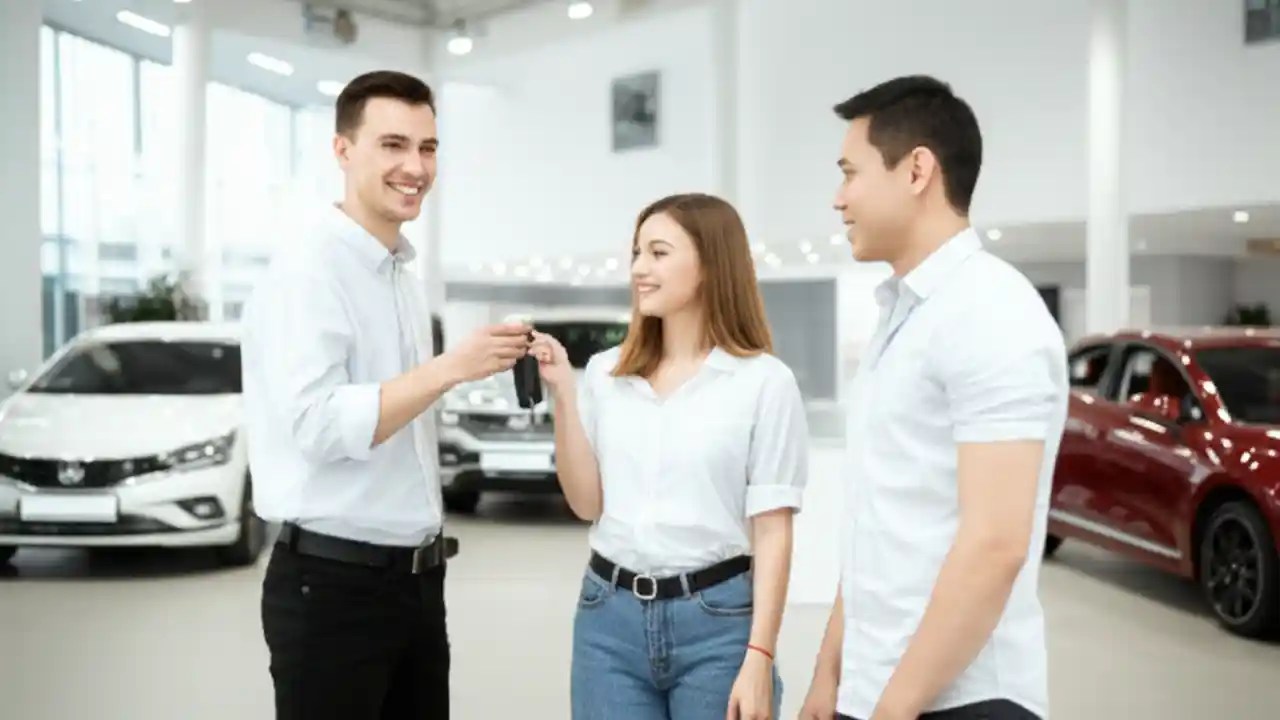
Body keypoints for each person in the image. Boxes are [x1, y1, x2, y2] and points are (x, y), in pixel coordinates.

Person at [241, 70, 531, 720]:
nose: (415, 166)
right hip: (336, 588)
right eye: (393, 145)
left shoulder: (400, 274)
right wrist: (449, 368)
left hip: (417, 583)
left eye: (428, 148)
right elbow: (317, 423)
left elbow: (398, 416)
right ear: (343, 151)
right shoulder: (309, 269)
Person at [797, 76, 1069, 720]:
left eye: (850, 173)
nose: (838, 199)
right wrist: (830, 674)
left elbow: (995, 543)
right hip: (880, 688)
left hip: (961, 700)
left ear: (917, 169)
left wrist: (893, 709)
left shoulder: (992, 312)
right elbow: (880, 523)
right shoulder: (904, 315)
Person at [528, 193, 810, 720]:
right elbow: (587, 504)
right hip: (606, 620)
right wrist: (564, 394)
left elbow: (773, 531)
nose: (639, 268)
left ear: (709, 265)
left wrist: (759, 655)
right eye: (636, 253)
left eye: (658, 253)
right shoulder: (606, 375)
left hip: (719, 625)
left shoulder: (764, 383)